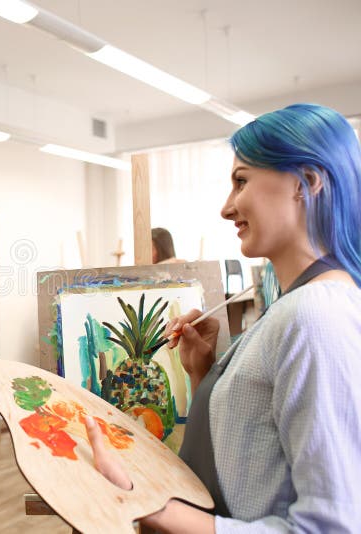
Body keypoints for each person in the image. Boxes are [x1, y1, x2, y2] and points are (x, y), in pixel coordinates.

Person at [86, 103, 361, 532]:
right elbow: (251, 462)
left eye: (241, 181)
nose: (227, 208)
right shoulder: (299, 306)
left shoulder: (315, 314)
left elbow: (329, 527)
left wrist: (150, 504)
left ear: (306, 182)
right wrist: (203, 372)